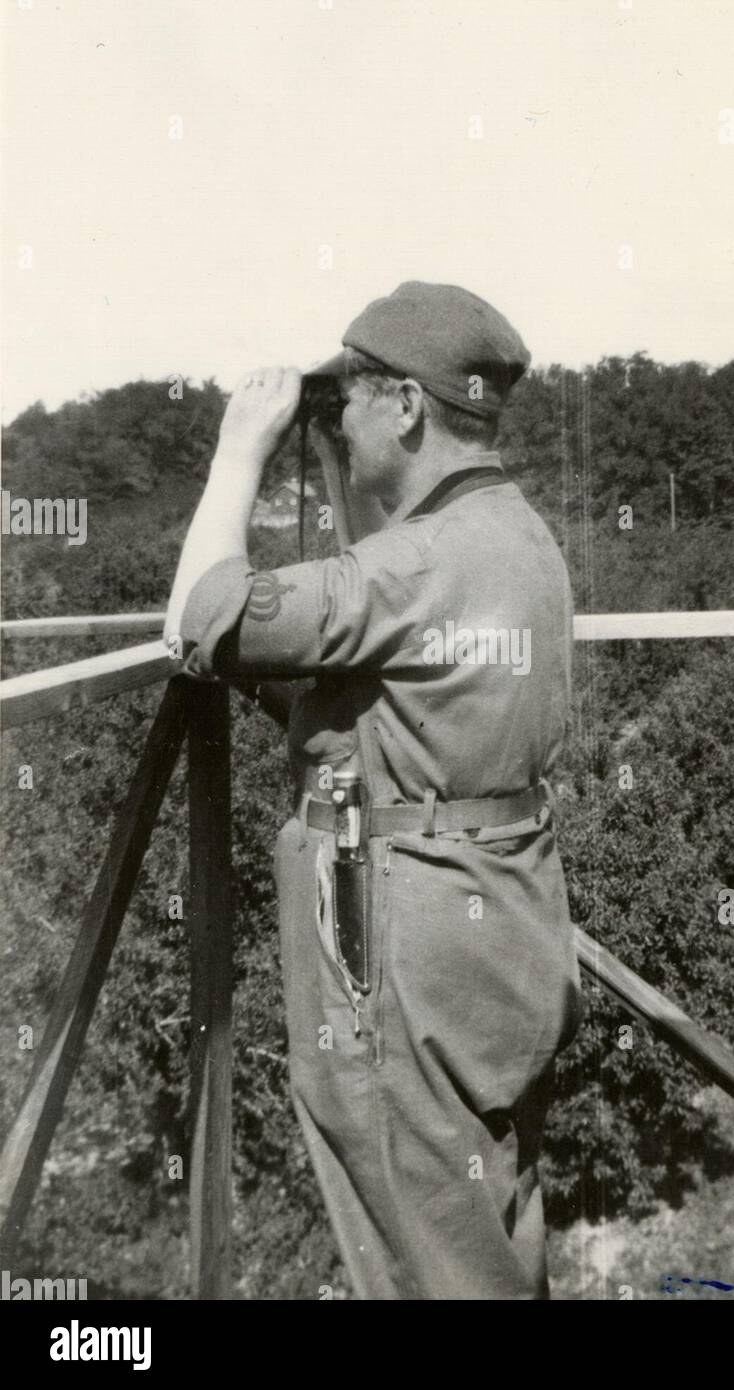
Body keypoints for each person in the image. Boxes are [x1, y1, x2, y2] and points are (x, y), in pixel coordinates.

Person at [164, 281, 583, 1299]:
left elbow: (195, 616)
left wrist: (239, 451)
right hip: (512, 923)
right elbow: (392, 656)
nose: (340, 423)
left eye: (350, 399)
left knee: (419, 1253)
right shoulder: (517, 536)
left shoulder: (409, 568)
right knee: (489, 1225)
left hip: (408, 947)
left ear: (404, 407)